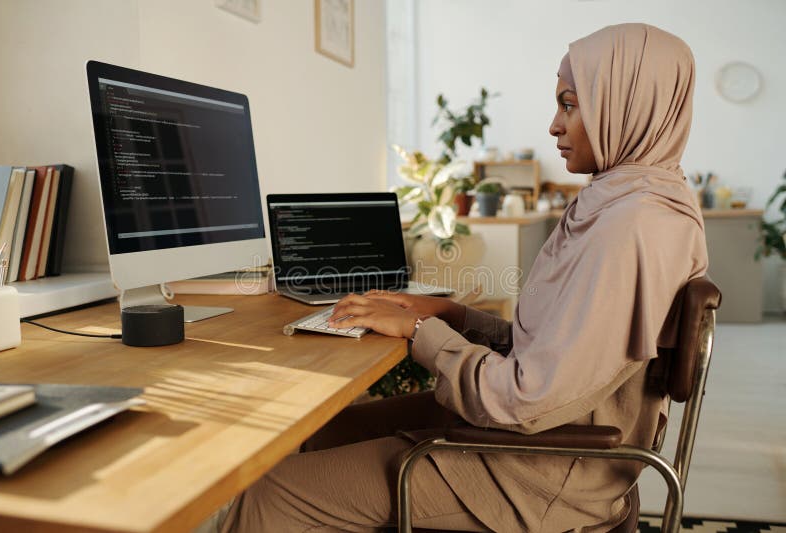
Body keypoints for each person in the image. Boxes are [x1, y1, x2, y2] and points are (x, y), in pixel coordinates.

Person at [218, 22, 708, 532]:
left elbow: (528, 397)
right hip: (544, 443)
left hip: (540, 470)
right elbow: (554, 350)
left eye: (569, 104)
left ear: (626, 105)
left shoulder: (632, 228)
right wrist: (451, 314)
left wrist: (417, 331)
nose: (554, 126)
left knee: (271, 493)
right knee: (324, 431)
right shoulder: (627, 203)